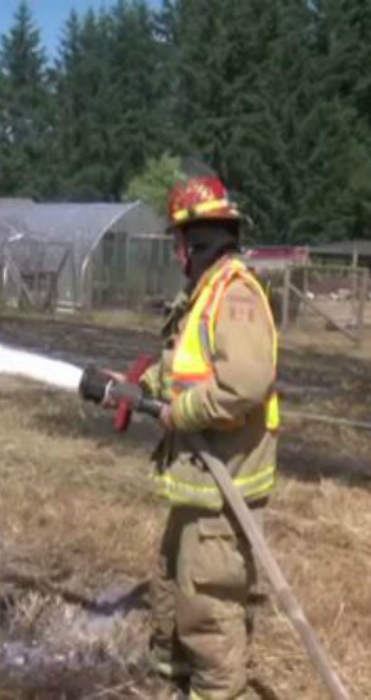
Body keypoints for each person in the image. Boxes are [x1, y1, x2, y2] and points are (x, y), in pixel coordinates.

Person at [137, 175, 281, 699]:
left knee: (209, 615)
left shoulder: (235, 294)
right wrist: (136, 385)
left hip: (225, 491)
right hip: (198, 488)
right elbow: (188, 369)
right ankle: (172, 686)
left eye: (178, 242)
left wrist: (181, 413)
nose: (177, 253)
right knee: (174, 593)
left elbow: (242, 385)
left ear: (190, 242)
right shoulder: (205, 293)